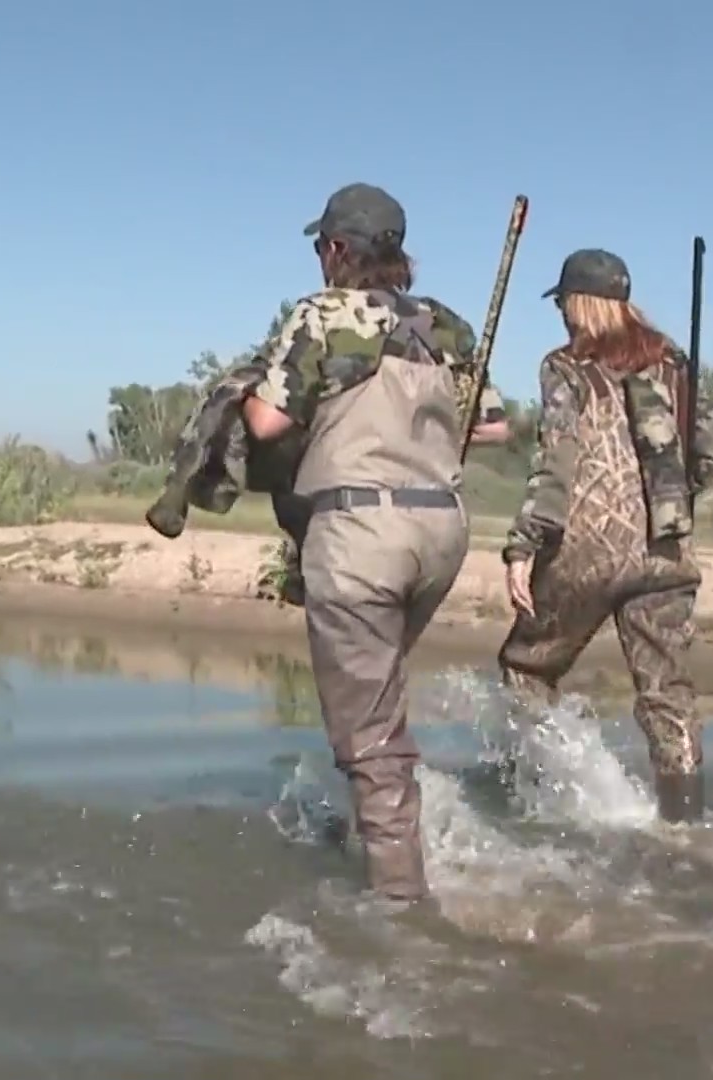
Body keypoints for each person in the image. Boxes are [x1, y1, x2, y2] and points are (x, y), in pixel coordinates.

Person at [242, 182, 511, 901]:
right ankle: (385, 834)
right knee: (378, 707)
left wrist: (240, 395)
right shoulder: (442, 322)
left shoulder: (322, 316)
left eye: (319, 246)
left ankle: (399, 912)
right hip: (442, 532)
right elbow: (491, 426)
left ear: (335, 250)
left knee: (372, 743)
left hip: (361, 533)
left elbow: (267, 425)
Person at [495, 248, 713, 824]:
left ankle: (541, 796)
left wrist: (523, 547)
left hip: (585, 552)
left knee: (528, 670)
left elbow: (556, 461)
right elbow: (707, 460)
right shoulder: (675, 363)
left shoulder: (564, 366)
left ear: (575, 304)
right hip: (666, 550)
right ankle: (686, 824)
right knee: (669, 694)